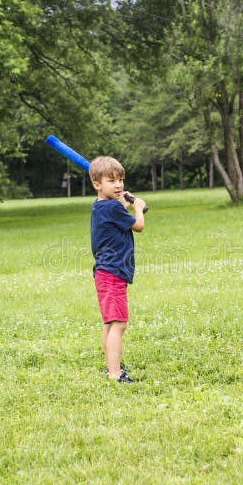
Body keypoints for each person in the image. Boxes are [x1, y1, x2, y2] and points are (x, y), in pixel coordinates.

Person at [89, 156, 146, 383]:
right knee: (119, 324)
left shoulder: (102, 206)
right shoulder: (112, 207)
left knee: (110, 323)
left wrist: (124, 203)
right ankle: (115, 374)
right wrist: (138, 207)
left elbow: (117, 215)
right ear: (97, 185)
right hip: (113, 273)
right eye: (111, 181)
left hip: (105, 272)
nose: (119, 185)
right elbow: (138, 226)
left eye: (120, 180)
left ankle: (111, 366)